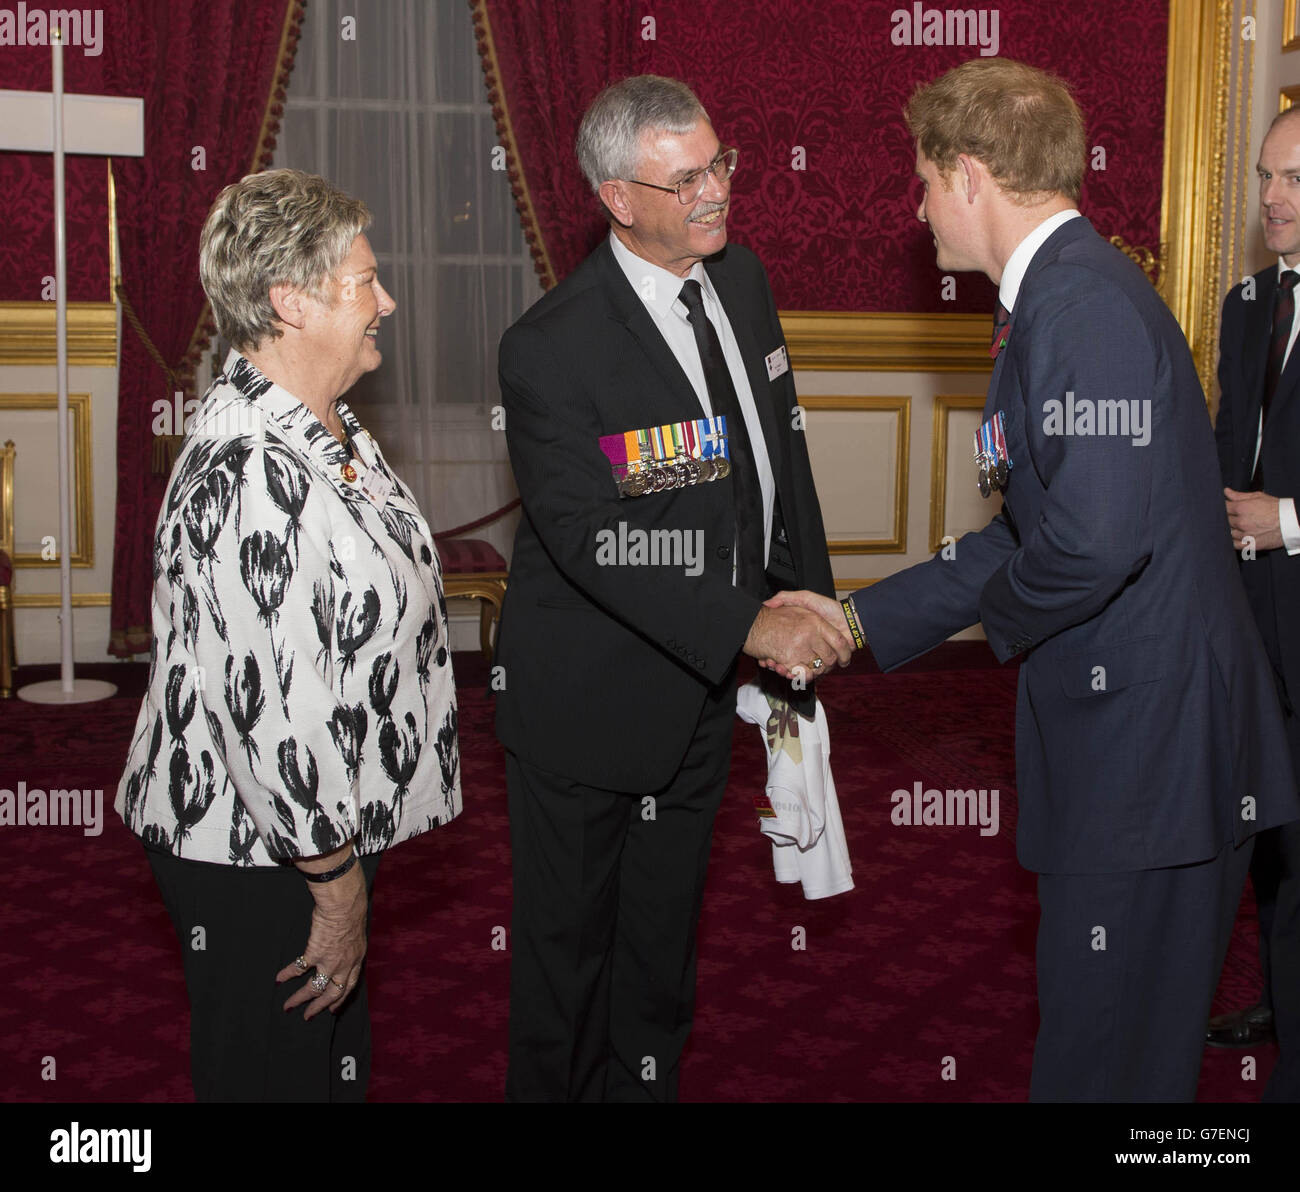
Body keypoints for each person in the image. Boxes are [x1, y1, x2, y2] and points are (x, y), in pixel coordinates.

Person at [769, 57, 1300, 1101]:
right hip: (1145, 752)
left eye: (922, 181)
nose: (916, 209)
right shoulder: (1057, 295)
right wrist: (854, 617)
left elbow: (1091, 546)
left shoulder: (1077, 307)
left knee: (1108, 1070)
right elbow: (1035, 532)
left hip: (1148, 762)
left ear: (969, 174)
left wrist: (988, 626)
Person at [494, 74, 849, 1102]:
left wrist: (804, 615)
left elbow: (778, 467)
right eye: (684, 177)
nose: (715, 192)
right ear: (616, 197)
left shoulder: (740, 283)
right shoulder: (551, 348)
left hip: (698, 694)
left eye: (719, 163)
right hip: (585, 706)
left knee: (658, 955)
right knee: (566, 968)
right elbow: (593, 539)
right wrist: (752, 623)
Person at [115, 168, 461, 1102]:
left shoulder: (326, 427)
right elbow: (263, 711)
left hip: (310, 834)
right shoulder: (248, 469)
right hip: (258, 848)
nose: (386, 301)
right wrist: (337, 887)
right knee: (272, 1076)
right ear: (290, 301)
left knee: (324, 1066)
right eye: (365, 280)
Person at [1212, 106, 1300, 1099]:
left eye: (1294, 180)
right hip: (1247, 620)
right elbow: (1228, 446)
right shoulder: (1249, 303)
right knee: (1267, 835)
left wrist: (1293, 521)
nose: (1273, 199)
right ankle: (1279, 996)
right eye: (1265, 177)